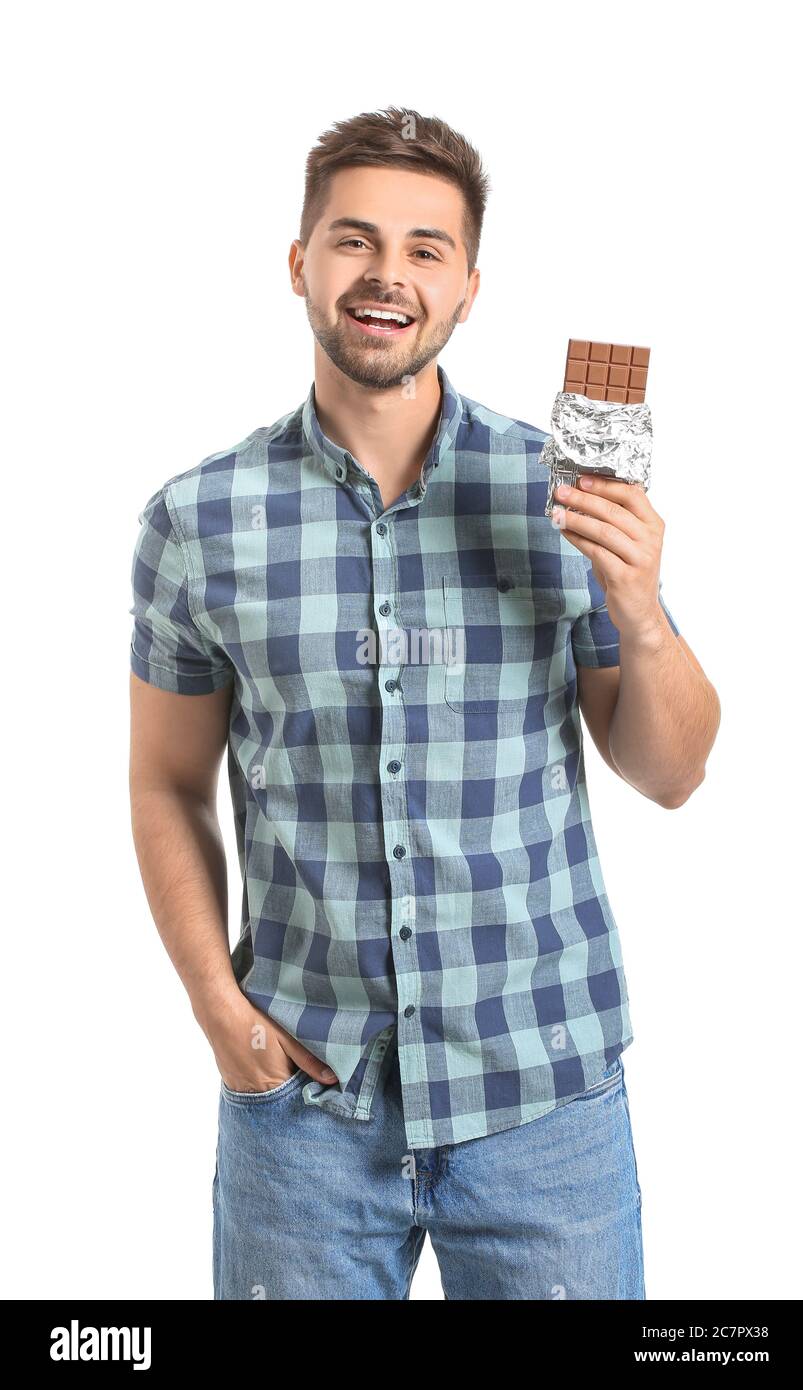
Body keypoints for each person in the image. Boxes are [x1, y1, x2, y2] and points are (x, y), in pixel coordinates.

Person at [128, 106, 721, 1300]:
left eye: (424, 248)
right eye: (353, 241)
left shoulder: (559, 499)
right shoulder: (196, 521)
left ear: (466, 288)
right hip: (305, 1106)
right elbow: (164, 781)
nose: (386, 274)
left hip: (544, 1103)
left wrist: (643, 610)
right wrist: (219, 1015)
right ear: (301, 265)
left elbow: (671, 772)